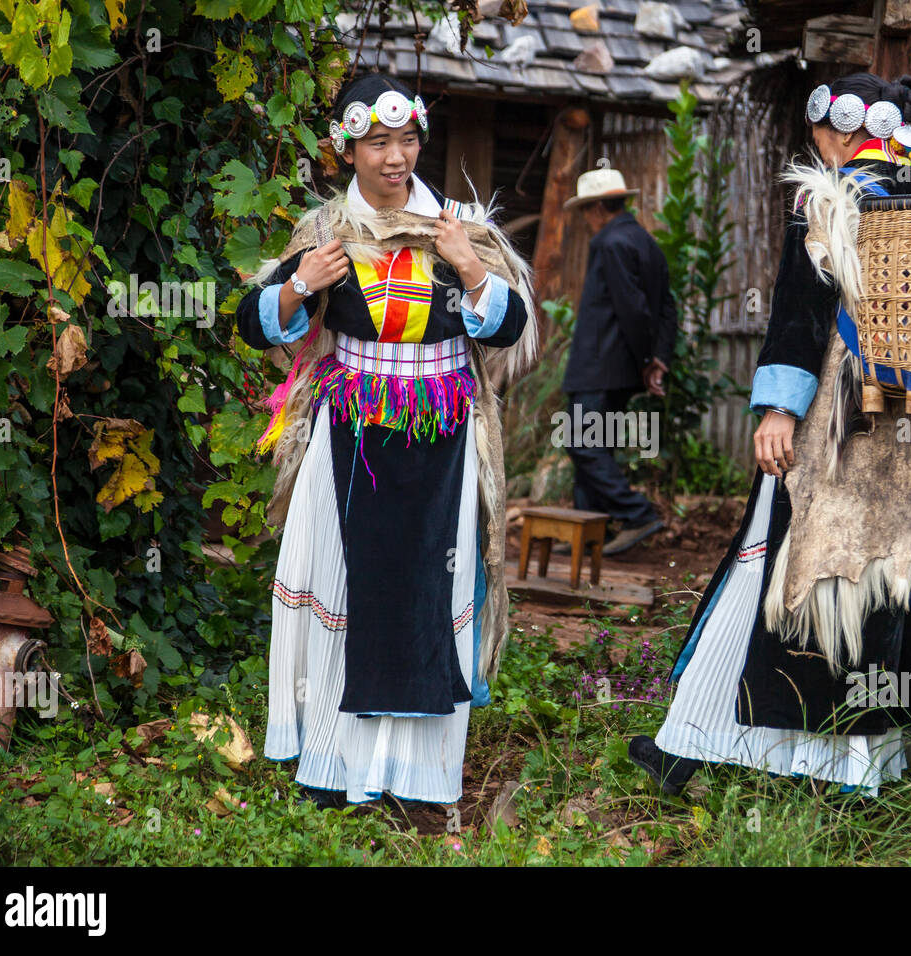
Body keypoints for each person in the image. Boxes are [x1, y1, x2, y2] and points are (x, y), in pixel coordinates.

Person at [629, 73, 911, 797]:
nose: (816, 143)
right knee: (886, 579)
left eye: (818, 131)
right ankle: (857, 771)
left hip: (840, 427)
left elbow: (803, 310)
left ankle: (698, 742)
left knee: (790, 558)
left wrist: (778, 407)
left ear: (836, 130)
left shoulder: (831, 197)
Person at [235, 73, 536, 808]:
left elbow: (510, 327)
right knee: (346, 585)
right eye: (378, 143)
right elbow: (255, 324)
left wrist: (468, 267)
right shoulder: (324, 232)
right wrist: (300, 284)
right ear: (348, 151)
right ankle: (336, 770)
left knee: (430, 592)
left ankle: (420, 777)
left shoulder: (457, 227)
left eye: (407, 140)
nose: (396, 157)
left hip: (443, 437)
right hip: (351, 436)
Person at [560, 163, 677, 556]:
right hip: (620, 369)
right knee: (596, 445)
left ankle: (637, 513)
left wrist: (647, 358)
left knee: (582, 444)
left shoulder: (609, 243)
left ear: (595, 209)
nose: (585, 221)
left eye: (585, 213)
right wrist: (657, 358)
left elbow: (633, 310)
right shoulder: (646, 243)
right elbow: (665, 308)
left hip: (599, 366)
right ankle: (588, 535)